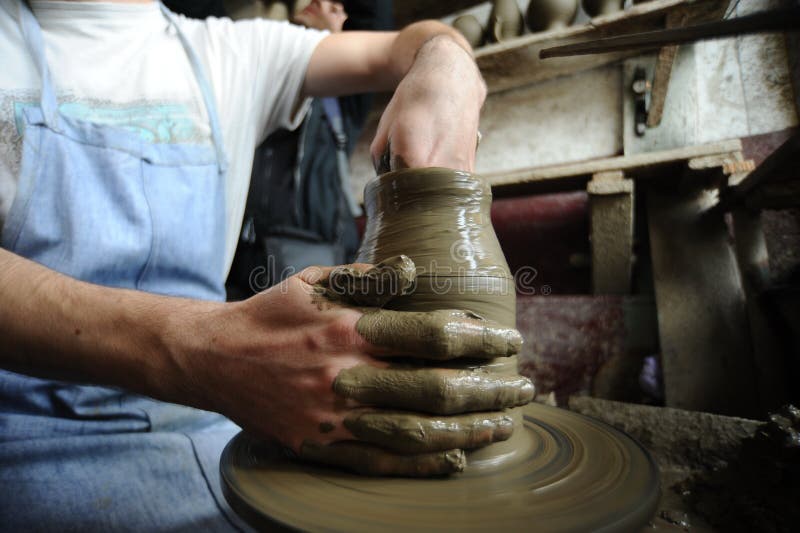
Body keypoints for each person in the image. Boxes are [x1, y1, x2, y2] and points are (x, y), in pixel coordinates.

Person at [0, 0, 532, 530]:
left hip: (221, 425)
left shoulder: (234, 50)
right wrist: (207, 354)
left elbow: (405, 46)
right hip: (28, 441)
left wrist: (445, 62)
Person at [227, 0, 392, 299]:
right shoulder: (255, 67)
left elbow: (374, 12)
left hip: (311, 253)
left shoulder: (344, 98)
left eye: (339, 6)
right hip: (238, 252)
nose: (324, 4)